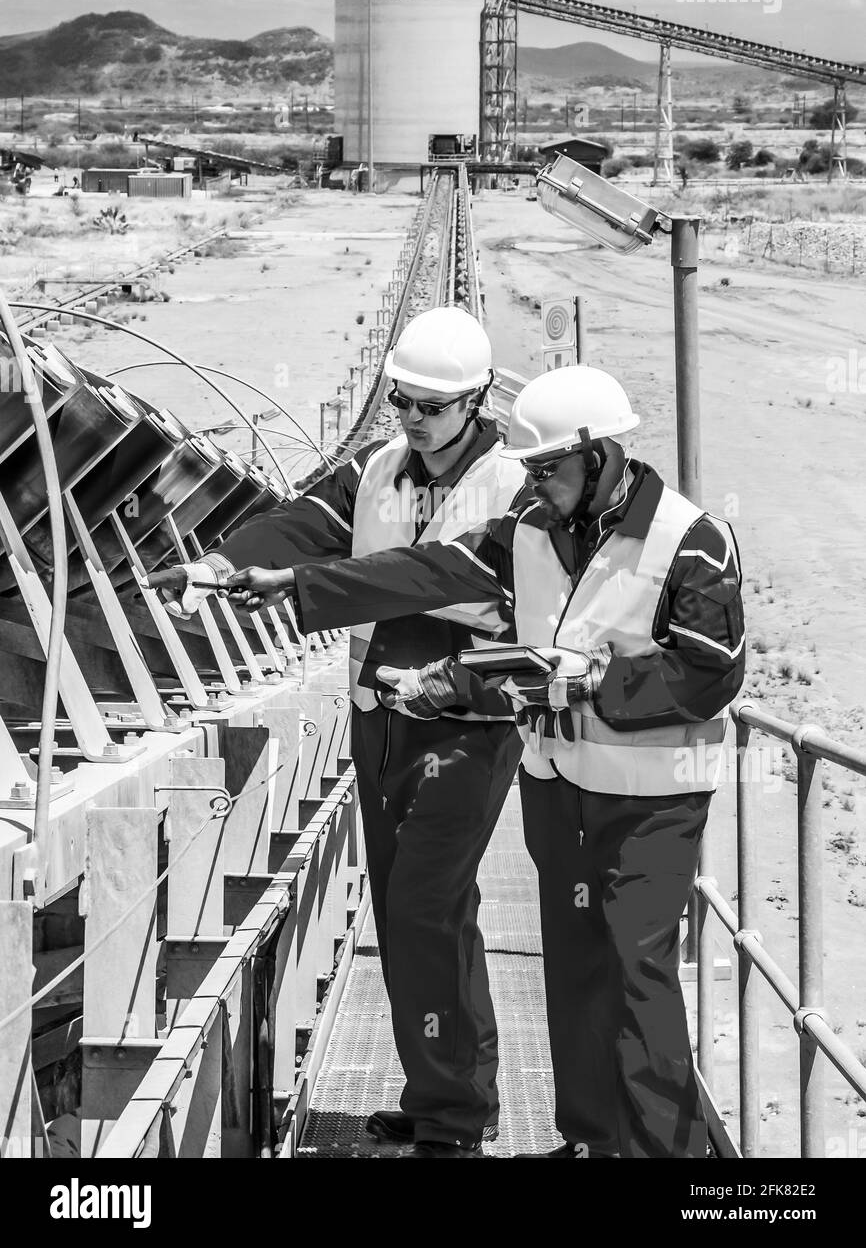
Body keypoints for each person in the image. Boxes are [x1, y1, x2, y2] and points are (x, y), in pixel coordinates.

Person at [228, 364, 746, 1159]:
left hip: (650, 802)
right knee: (573, 978)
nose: (534, 484)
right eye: (531, 469)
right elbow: (430, 572)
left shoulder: (692, 539)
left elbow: (713, 673)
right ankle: (588, 1141)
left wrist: (604, 681)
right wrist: (302, 587)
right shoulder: (528, 530)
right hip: (556, 787)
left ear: (602, 455)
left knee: (638, 981)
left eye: (549, 469)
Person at [148, 308, 528, 1159]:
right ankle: (445, 1093)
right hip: (379, 716)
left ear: (474, 402)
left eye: (430, 406)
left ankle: (457, 1121)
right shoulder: (379, 468)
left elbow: (445, 571)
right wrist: (220, 562)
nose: (410, 418)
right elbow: (304, 520)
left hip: (466, 718)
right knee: (407, 915)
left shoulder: (517, 485)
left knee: (426, 905)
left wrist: (305, 587)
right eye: (401, 400)